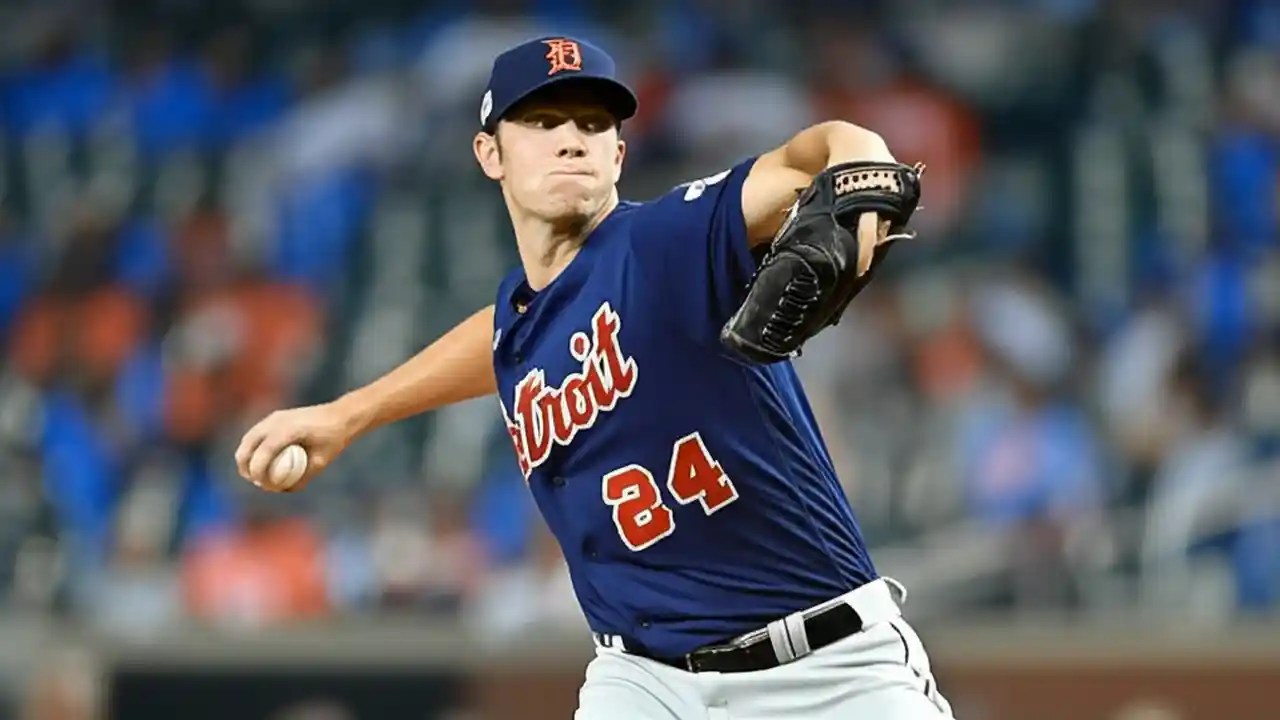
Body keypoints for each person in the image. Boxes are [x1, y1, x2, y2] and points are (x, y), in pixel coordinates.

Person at [236, 35, 953, 719]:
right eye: (542, 122)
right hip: (644, 680)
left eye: (592, 121)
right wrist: (346, 415)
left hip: (821, 667)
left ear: (618, 152)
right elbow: (498, 337)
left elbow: (810, 158)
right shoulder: (521, 320)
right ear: (490, 154)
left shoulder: (666, 243)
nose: (571, 138)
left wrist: (859, 156)